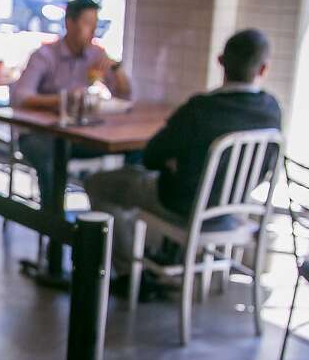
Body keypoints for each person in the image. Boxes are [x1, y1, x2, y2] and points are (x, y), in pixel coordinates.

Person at [82, 28, 282, 285]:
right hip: (233, 207)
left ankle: (128, 273)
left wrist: (175, 163)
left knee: (99, 183)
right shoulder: (272, 110)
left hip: (181, 204)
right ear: (264, 69)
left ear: (220, 61)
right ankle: (163, 258)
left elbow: (151, 156)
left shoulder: (200, 108)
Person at [10, 0, 132, 206]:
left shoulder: (95, 54)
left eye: (94, 25)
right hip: (39, 134)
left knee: (133, 151)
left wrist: (117, 69)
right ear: (69, 23)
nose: (92, 31)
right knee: (52, 160)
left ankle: (109, 224)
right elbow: (21, 97)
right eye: (87, 24)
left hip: (76, 134)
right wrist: (62, 101)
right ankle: (53, 225)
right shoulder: (45, 55)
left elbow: (125, 97)